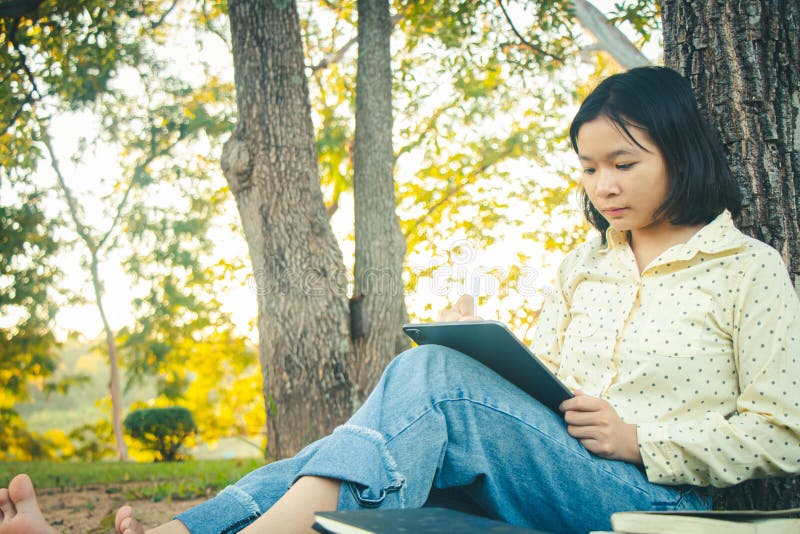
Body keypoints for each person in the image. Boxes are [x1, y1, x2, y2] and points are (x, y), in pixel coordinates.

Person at [2, 66, 799, 534]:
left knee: (428, 380)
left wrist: (640, 439)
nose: (603, 185)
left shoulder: (745, 270)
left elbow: (783, 431)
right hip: (542, 467)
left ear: (680, 153)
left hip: (650, 498)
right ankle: (179, 532)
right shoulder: (582, 269)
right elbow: (544, 395)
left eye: (623, 163)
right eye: (589, 168)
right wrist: (504, 368)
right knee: (373, 430)